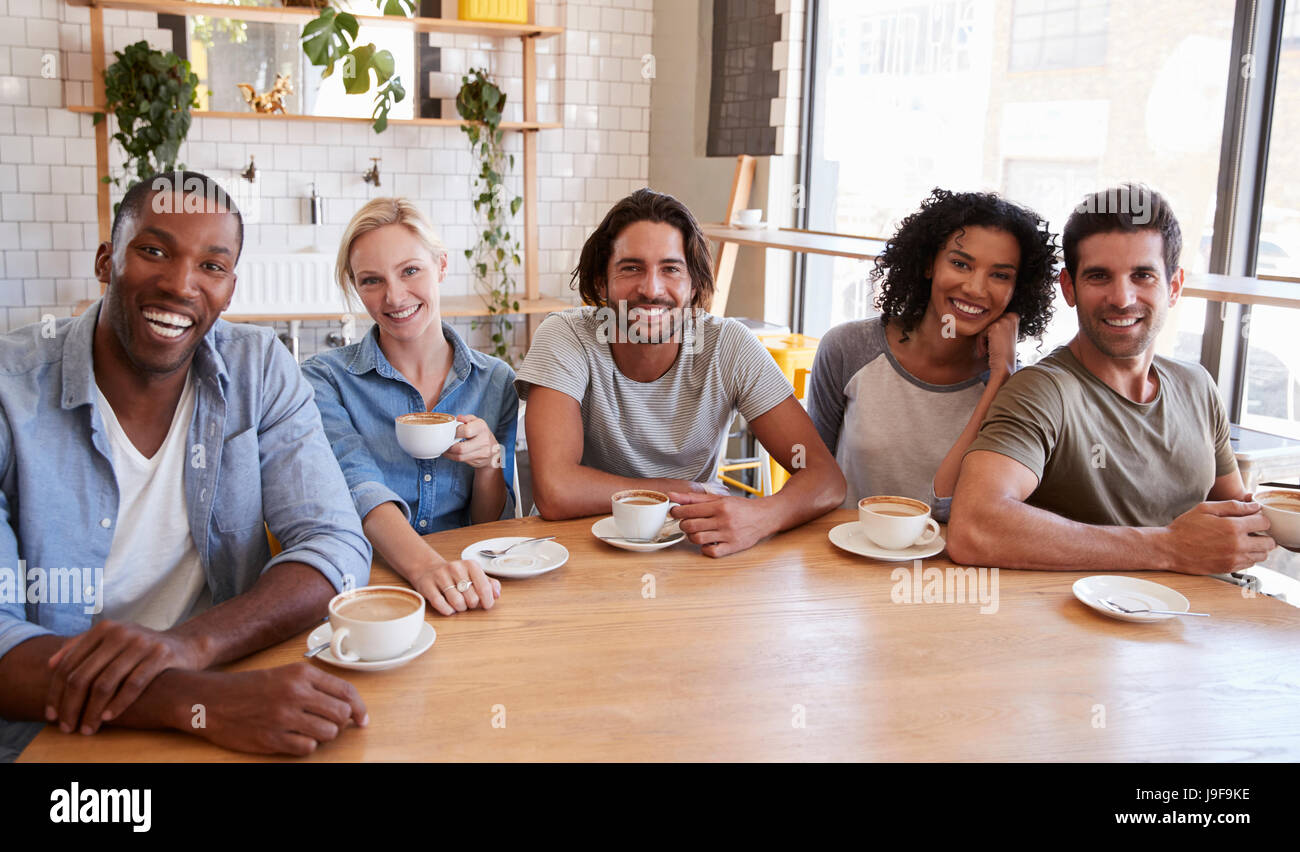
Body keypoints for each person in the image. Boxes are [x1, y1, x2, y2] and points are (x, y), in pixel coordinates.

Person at [0, 171, 372, 761]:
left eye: (212, 266)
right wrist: (194, 699)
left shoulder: (261, 371)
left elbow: (333, 542)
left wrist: (190, 646)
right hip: (59, 728)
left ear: (229, 289)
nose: (180, 285)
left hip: (234, 685)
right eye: (153, 251)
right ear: (106, 261)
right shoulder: (10, 395)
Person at [948, 185, 1278, 572]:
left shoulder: (1198, 387)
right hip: (1081, 627)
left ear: (1173, 287)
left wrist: (1276, 528)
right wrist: (1168, 548)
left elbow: (1241, 519)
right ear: (1069, 288)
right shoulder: (1042, 392)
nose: (1122, 298)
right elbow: (974, 527)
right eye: (1099, 276)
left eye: (1142, 275)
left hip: (1194, 624)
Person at [516, 188, 846, 557]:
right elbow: (555, 491)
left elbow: (825, 478)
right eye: (631, 268)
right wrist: (684, 488)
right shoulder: (566, 336)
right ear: (600, 282)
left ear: (694, 286)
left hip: (689, 550)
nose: (651, 289)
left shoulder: (727, 346)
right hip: (576, 550)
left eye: (671, 269)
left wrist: (762, 515)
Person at [303, 198, 516, 616]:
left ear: (441, 265)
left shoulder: (495, 380)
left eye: (410, 271)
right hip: (370, 581)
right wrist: (426, 568)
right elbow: (358, 486)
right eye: (371, 281)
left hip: (465, 580)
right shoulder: (324, 379)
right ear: (354, 285)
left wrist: (489, 461)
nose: (394, 296)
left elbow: (488, 526)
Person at [807, 189, 1057, 521]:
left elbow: (957, 507)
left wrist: (1001, 379)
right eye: (960, 264)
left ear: (1018, 290)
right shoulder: (848, 349)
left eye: (1000, 275)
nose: (975, 288)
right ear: (929, 265)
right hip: (844, 557)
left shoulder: (1016, 388)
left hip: (950, 569)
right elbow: (812, 477)